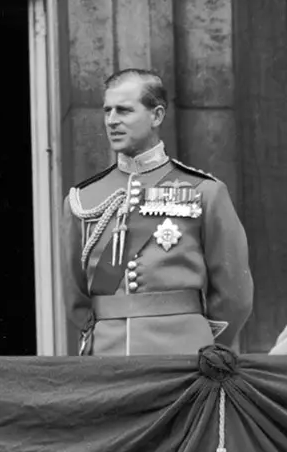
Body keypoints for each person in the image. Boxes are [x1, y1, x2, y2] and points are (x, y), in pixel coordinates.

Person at [62, 68, 253, 356]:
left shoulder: (204, 191)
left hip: (183, 357)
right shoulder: (82, 199)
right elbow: (75, 296)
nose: (112, 121)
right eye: (107, 111)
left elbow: (234, 294)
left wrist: (205, 349)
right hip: (106, 358)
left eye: (124, 110)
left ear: (157, 116)